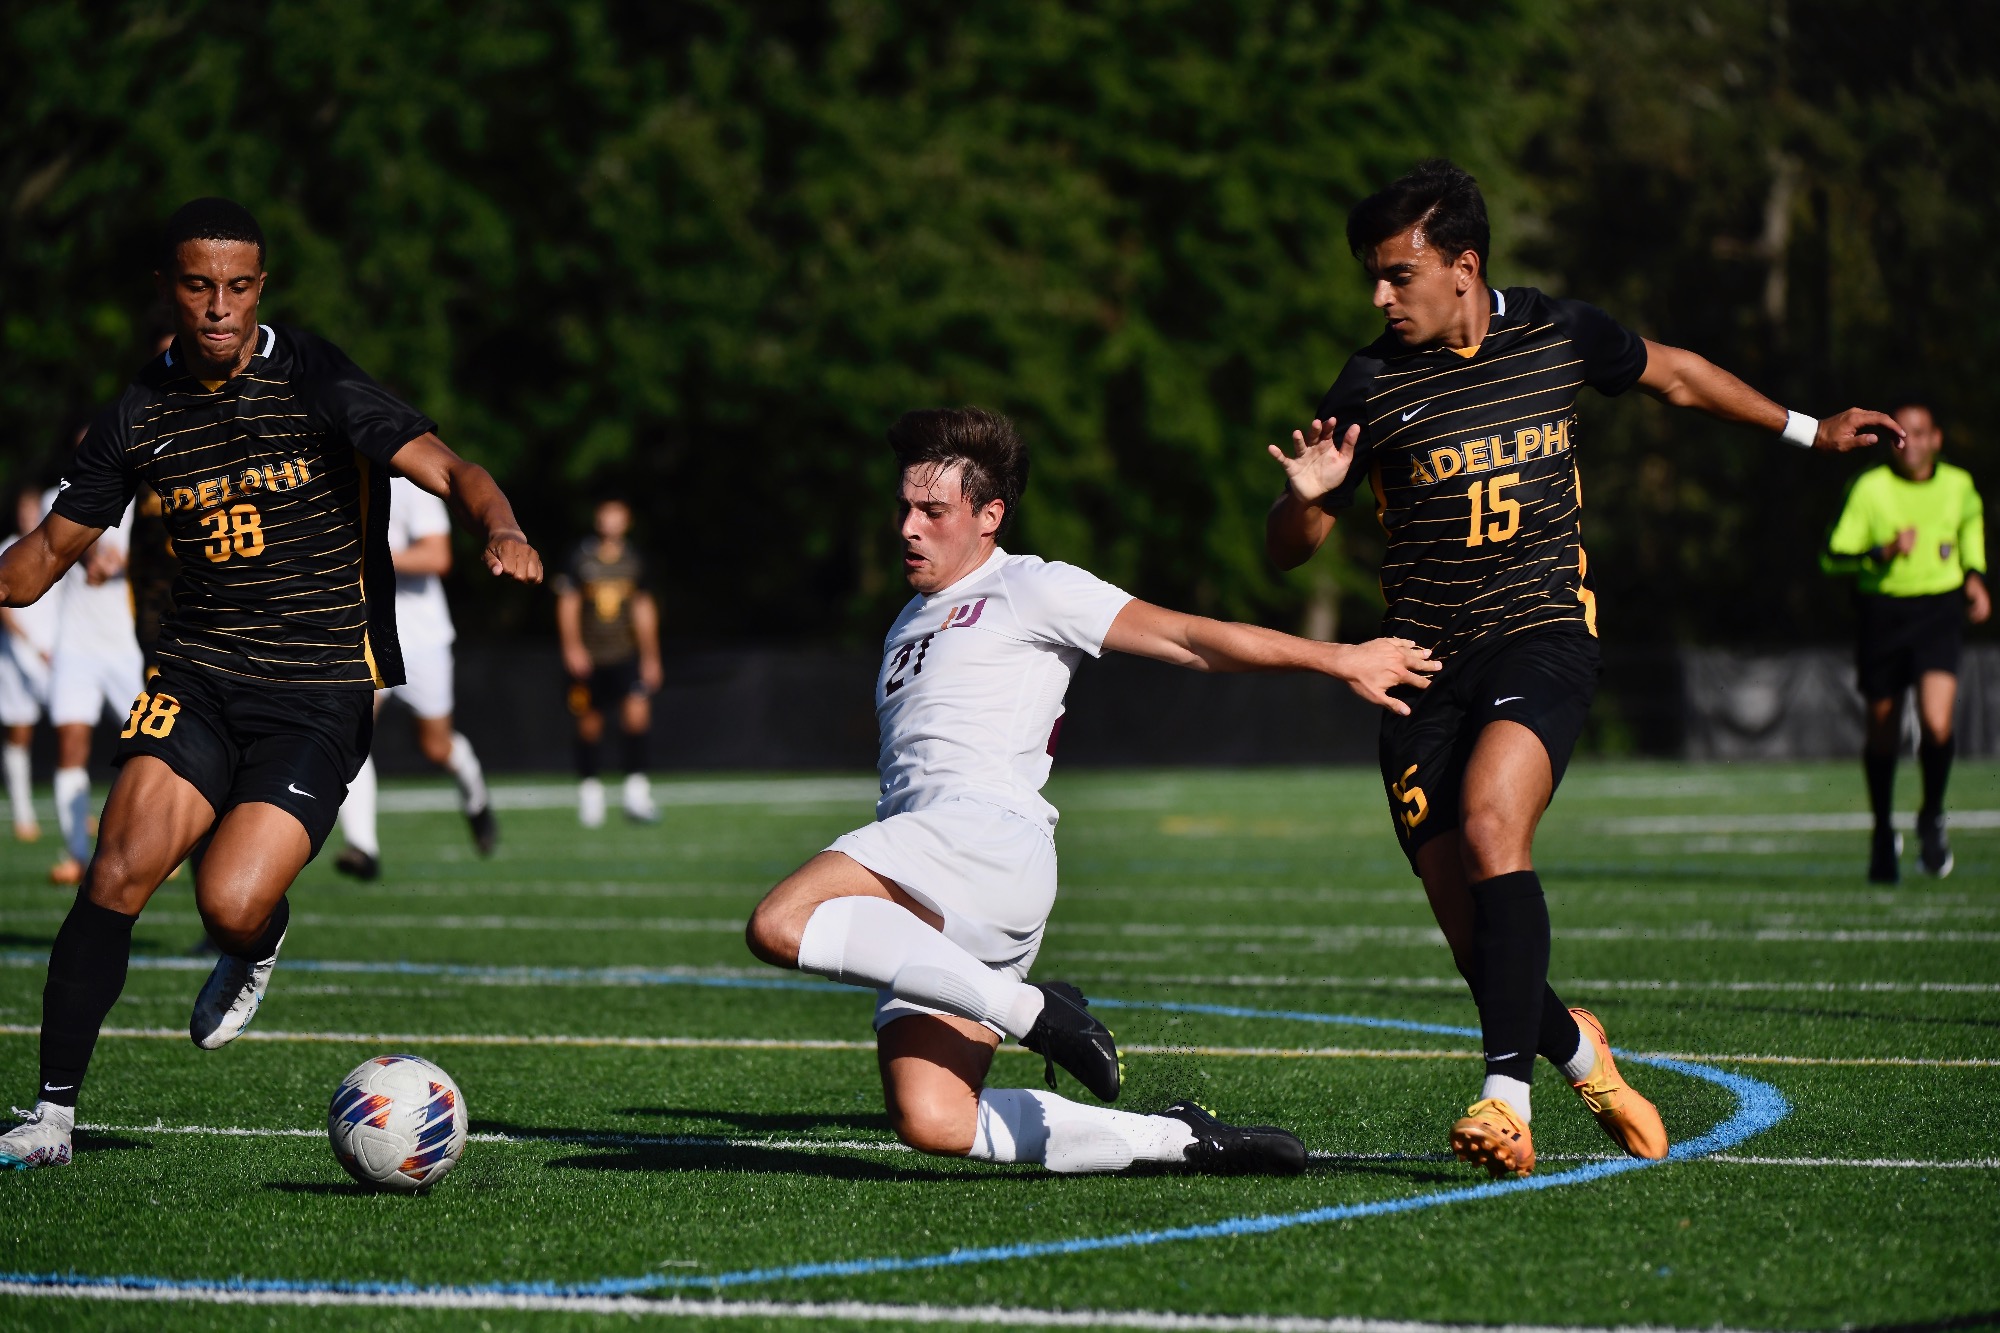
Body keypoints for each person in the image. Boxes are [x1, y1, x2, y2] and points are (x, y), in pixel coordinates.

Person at [1263, 159, 1904, 1179]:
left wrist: (1802, 428)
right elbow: (1286, 549)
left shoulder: (1557, 332)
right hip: (1418, 667)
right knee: (1476, 940)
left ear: (1461, 267)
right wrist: (1302, 500)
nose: (1377, 298)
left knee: (1489, 825)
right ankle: (1576, 1050)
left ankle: (1504, 1101)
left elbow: (1679, 376)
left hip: (1541, 633)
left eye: (1396, 275)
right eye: (1371, 279)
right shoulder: (1367, 385)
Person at [745, 407, 1437, 1175]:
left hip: (978, 838)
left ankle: (1034, 1012)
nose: (908, 526)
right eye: (904, 506)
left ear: (988, 516)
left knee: (781, 921)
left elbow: (1186, 637)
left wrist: (1337, 657)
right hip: (945, 879)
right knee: (933, 1119)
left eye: (932, 511)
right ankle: (1175, 1138)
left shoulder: (1028, 585)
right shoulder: (908, 618)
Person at [0, 197, 542, 1170]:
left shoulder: (317, 377)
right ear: (170, 289)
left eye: (238, 287)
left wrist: (498, 525)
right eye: (199, 286)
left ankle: (253, 944)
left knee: (228, 903)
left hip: (320, 686)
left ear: (261, 288)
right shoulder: (137, 412)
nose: (219, 307)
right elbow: (33, 566)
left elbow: (450, 468)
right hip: (197, 675)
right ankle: (50, 1117)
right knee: (116, 869)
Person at [1822, 398, 1987, 882]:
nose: (1911, 441)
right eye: (1902, 432)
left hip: (1938, 611)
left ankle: (1932, 815)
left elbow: (1971, 534)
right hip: (1883, 615)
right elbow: (1833, 557)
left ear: (1936, 439)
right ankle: (1881, 830)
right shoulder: (1870, 489)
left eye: (1920, 432)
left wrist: (1975, 577)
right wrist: (1883, 551)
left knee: (1937, 724)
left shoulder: (1959, 486)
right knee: (1884, 731)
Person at [334, 474, 499, 880]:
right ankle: (362, 847)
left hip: (421, 639)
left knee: (437, 747)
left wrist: (368, 556)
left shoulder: (409, 485)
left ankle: (475, 796)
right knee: (350, 733)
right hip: (367, 634)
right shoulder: (329, 482)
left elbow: (437, 556)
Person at [42, 459, 142, 887]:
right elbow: (56, 548)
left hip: (127, 646)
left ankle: (161, 844)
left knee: (155, 747)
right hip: (75, 647)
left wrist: (123, 565)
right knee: (71, 743)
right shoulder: (56, 498)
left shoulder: (143, 499)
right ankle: (76, 854)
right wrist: (89, 560)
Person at [554, 499, 661, 827]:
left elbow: (643, 606)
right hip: (591, 657)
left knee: (638, 713)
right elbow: (568, 602)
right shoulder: (580, 557)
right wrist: (572, 647)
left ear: (626, 521)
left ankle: (636, 791)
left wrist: (651, 655)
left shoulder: (634, 559)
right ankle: (590, 791)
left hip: (625, 654)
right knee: (589, 723)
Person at [0, 488, 62, 843]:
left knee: (70, 731)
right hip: (18, 657)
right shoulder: (7, 549)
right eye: (23, 509)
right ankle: (23, 814)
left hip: (55, 656)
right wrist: (31, 646)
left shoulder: (54, 549)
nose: (29, 515)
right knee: (19, 732)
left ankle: (71, 808)